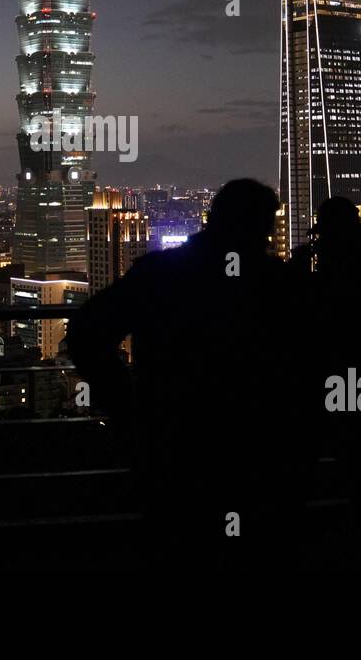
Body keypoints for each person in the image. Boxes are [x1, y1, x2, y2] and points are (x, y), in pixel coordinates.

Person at [64, 179, 305, 570]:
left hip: (172, 444)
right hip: (257, 452)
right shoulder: (278, 284)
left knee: (179, 545)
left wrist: (126, 408)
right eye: (263, 226)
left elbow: (87, 333)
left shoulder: (162, 273)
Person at [305, 196, 361, 542]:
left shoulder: (341, 261)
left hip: (345, 365)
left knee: (351, 444)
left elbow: (331, 307)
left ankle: (356, 521)